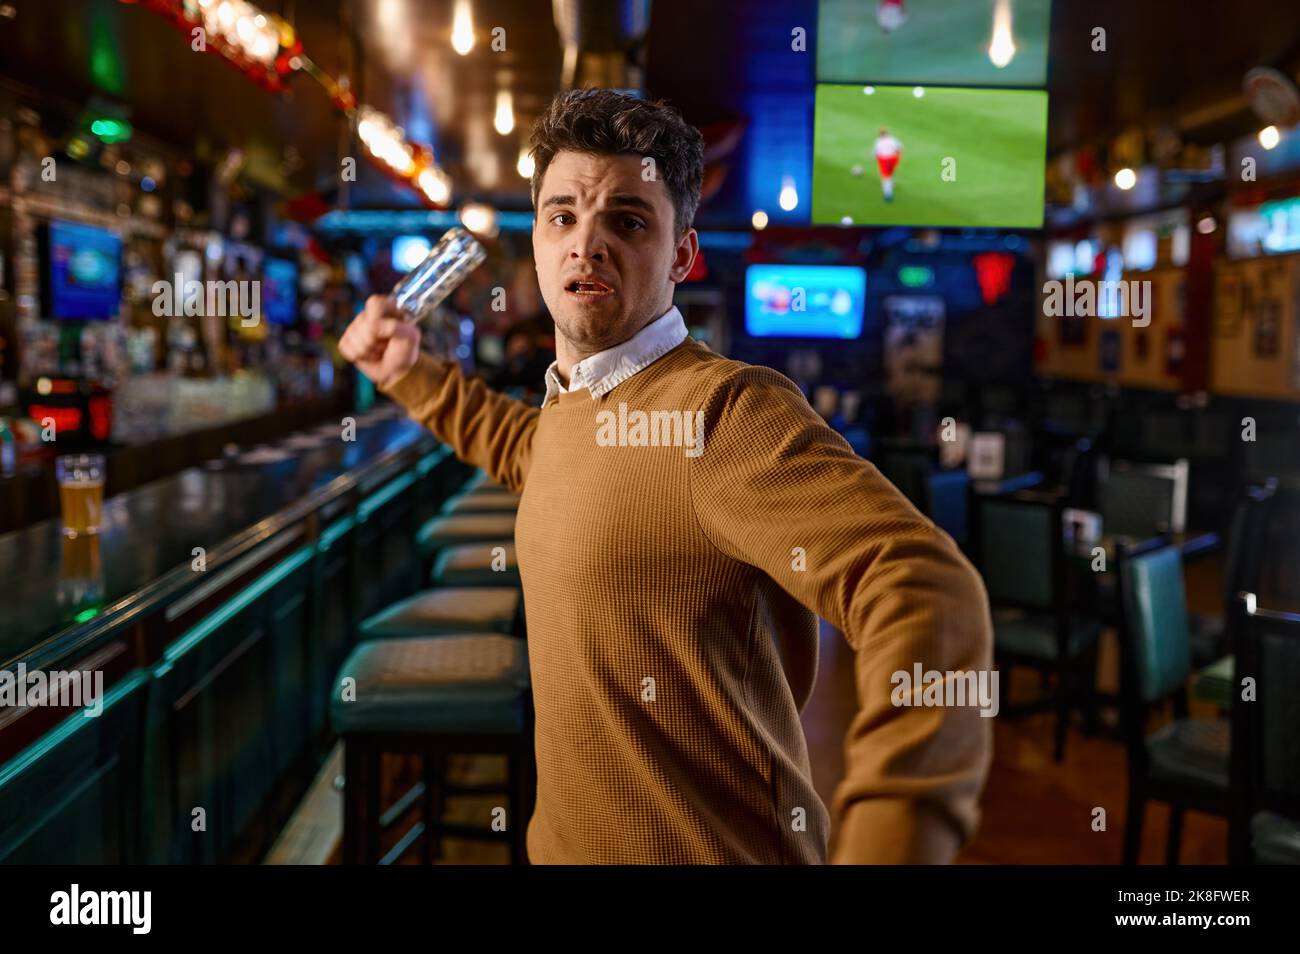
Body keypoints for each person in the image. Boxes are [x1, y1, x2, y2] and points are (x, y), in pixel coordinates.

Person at [340, 88, 992, 865]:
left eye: (628, 219)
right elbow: (525, 447)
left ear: (681, 253)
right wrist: (409, 374)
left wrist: (894, 835)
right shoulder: (572, 405)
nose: (587, 244)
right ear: (539, 243)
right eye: (562, 216)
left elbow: (923, 587)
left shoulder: (725, 411)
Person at [874, 126, 903, 202]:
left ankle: (888, 195)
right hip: (892, 159)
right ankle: (890, 186)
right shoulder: (892, 139)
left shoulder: (879, 141)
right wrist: (898, 159)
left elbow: (876, 153)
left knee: (886, 177)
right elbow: (900, 148)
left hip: (884, 160)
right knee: (889, 176)